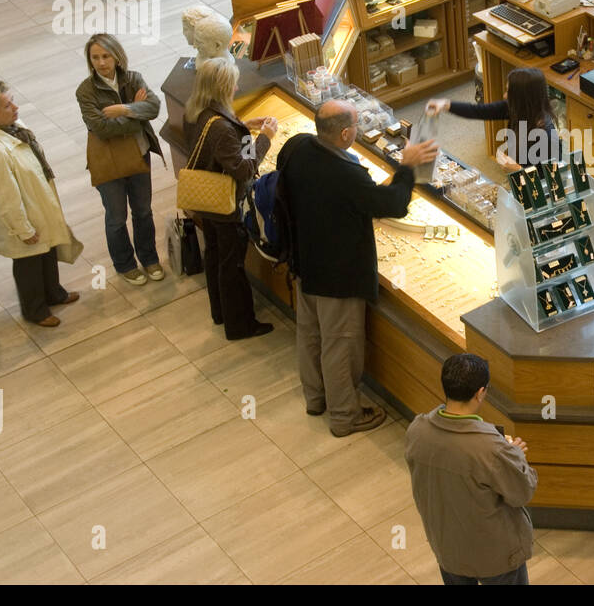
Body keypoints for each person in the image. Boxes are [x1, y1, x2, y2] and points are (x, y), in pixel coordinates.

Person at [276, 100, 438, 436]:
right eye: (357, 123)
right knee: (339, 345)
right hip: (339, 274)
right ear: (347, 133)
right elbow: (392, 204)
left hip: (304, 261)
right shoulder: (346, 175)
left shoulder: (298, 147)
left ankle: (316, 398)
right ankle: (344, 416)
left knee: (310, 334)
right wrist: (406, 168)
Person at [405, 353, 538, 585]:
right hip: (495, 556)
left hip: (448, 548)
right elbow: (522, 492)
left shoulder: (417, 430)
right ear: (480, 392)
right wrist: (514, 455)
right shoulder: (491, 449)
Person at [0, 81, 81, 328]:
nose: (16, 107)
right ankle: (35, 311)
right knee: (29, 264)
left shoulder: (14, 126)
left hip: (39, 206)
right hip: (24, 219)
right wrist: (23, 229)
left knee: (48, 252)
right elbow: (5, 199)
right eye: (8, 104)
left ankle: (54, 293)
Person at [182, 56, 276, 340]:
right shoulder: (222, 127)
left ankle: (220, 312)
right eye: (233, 83)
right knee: (232, 265)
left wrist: (244, 126)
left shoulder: (202, 112)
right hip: (226, 207)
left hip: (207, 204)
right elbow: (245, 169)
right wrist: (265, 138)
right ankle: (240, 324)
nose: (236, 87)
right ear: (223, 88)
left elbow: (221, 141)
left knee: (214, 256)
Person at [75, 33, 165, 286]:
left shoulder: (133, 78)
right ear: (90, 61)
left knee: (143, 211)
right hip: (108, 161)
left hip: (138, 154)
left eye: (105, 56)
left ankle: (149, 258)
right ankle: (125, 265)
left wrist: (124, 109)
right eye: (95, 57)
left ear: (116, 56)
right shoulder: (86, 91)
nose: (101, 62)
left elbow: (155, 107)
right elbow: (101, 128)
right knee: (116, 218)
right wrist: (136, 115)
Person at [426, 68, 559, 171]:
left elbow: (552, 180)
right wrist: (445, 104)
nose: (504, 95)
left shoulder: (546, 135)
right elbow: (478, 111)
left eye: (509, 92)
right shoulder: (516, 109)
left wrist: (519, 170)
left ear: (522, 98)